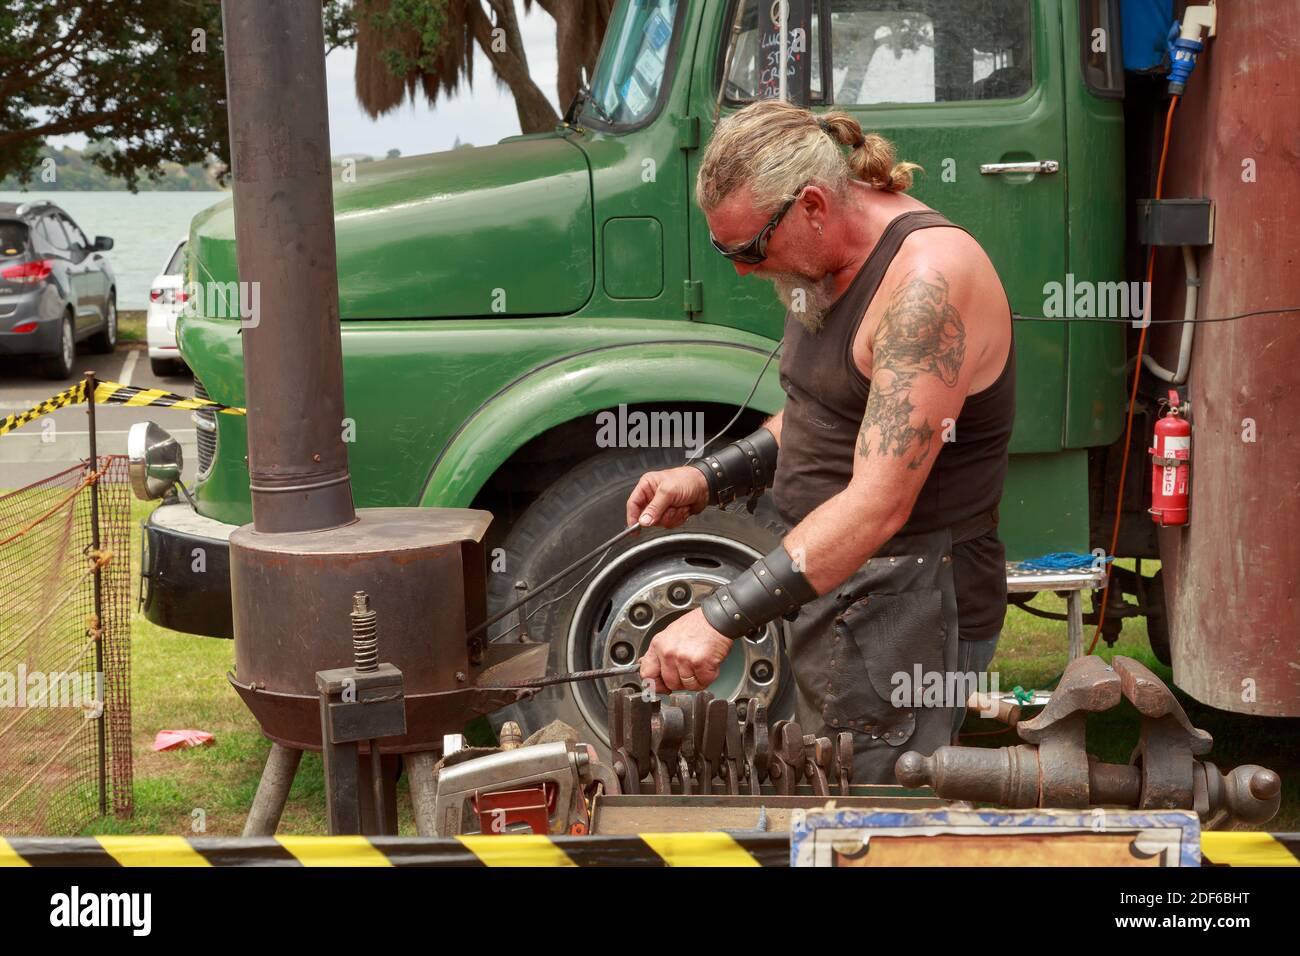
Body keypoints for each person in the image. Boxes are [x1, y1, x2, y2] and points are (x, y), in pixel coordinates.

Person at [625, 100, 1016, 783]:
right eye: (727, 253)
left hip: (912, 607)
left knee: (882, 826)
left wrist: (718, 619)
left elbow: (876, 504)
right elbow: (824, 416)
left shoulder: (926, 286)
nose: (744, 271)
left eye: (751, 250)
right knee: (833, 805)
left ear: (812, 205)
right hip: (845, 593)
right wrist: (711, 476)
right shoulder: (824, 263)